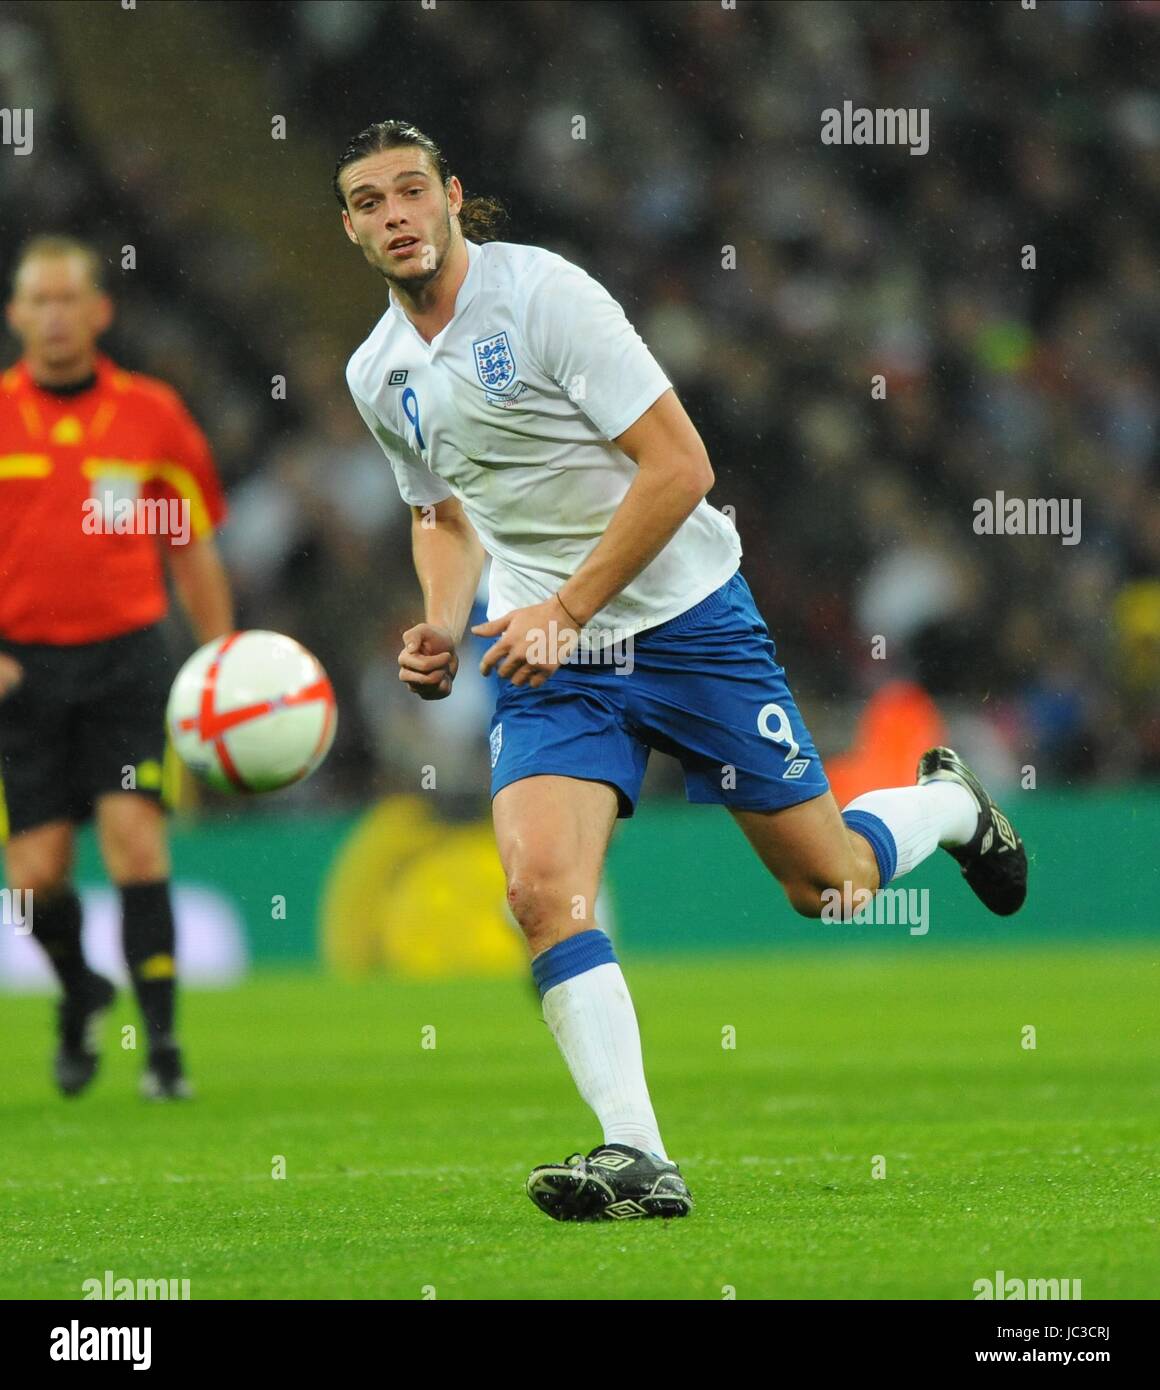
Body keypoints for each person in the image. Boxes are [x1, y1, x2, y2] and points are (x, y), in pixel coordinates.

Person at [336, 121, 1027, 1221]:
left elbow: (680, 466)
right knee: (538, 891)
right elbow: (440, 510)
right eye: (369, 203)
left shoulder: (546, 299)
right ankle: (636, 1155)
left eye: (410, 191)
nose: (395, 216)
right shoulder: (378, 373)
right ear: (352, 228)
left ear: (453, 197)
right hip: (546, 653)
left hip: (686, 618)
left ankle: (945, 804)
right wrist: (437, 620)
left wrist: (570, 606)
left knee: (828, 886)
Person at [0, 236, 233, 1099]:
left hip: (128, 661)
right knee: (35, 877)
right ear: (17, 313)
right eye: (38, 299)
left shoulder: (152, 415)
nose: (55, 314)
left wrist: (218, 660)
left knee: (136, 843)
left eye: (71, 298)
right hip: (21, 673)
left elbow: (192, 546)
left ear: (101, 311)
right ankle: (79, 991)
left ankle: (165, 1049)